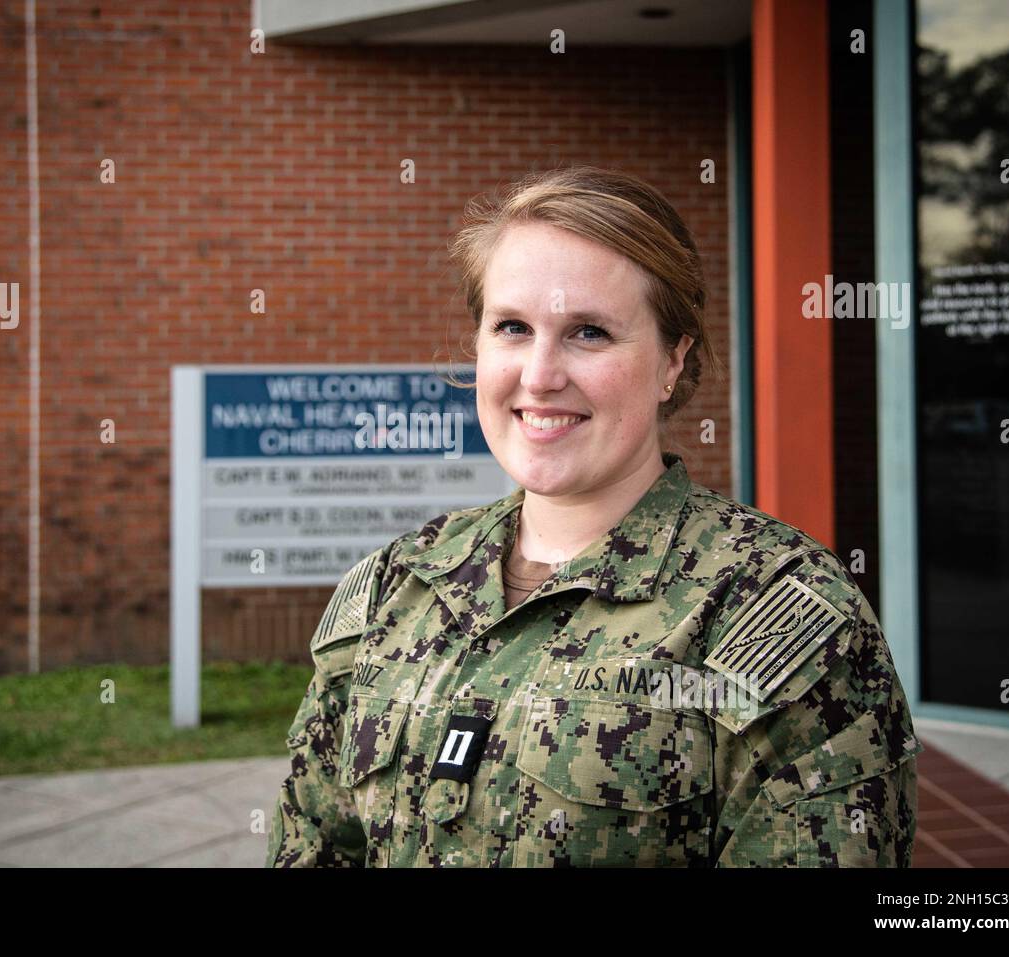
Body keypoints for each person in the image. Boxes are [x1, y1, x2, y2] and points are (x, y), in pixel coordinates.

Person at [266, 166, 921, 868]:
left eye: (589, 332)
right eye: (512, 326)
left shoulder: (774, 613)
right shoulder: (396, 586)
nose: (541, 374)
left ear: (674, 361)